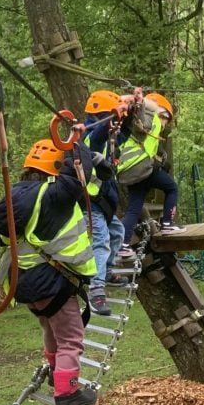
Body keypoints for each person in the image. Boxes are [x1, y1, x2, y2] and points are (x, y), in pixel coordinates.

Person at [0, 137, 100, 405]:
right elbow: (77, 172)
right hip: (52, 281)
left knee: (50, 327)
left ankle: (56, 373)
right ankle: (68, 395)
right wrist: (75, 140)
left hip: (25, 283)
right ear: (55, 168)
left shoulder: (10, 199)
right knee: (70, 338)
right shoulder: (53, 196)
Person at [81, 90, 130, 317]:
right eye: (113, 120)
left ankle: (107, 272)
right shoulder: (89, 136)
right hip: (89, 204)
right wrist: (113, 115)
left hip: (102, 204)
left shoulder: (110, 138)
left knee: (117, 233)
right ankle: (96, 290)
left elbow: (124, 134)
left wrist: (131, 108)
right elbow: (99, 134)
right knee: (100, 243)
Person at [118, 91, 183, 242]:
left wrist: (159, 160)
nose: (165, 123)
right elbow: (143, 128)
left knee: (133, 210)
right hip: (141, 167)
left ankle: (123, 244)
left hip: (128, 171)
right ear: (161, 113)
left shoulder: (137, 123)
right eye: (166, 118)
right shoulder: (151, 118)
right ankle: (167, 223)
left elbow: (145, 146)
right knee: (171, 188)